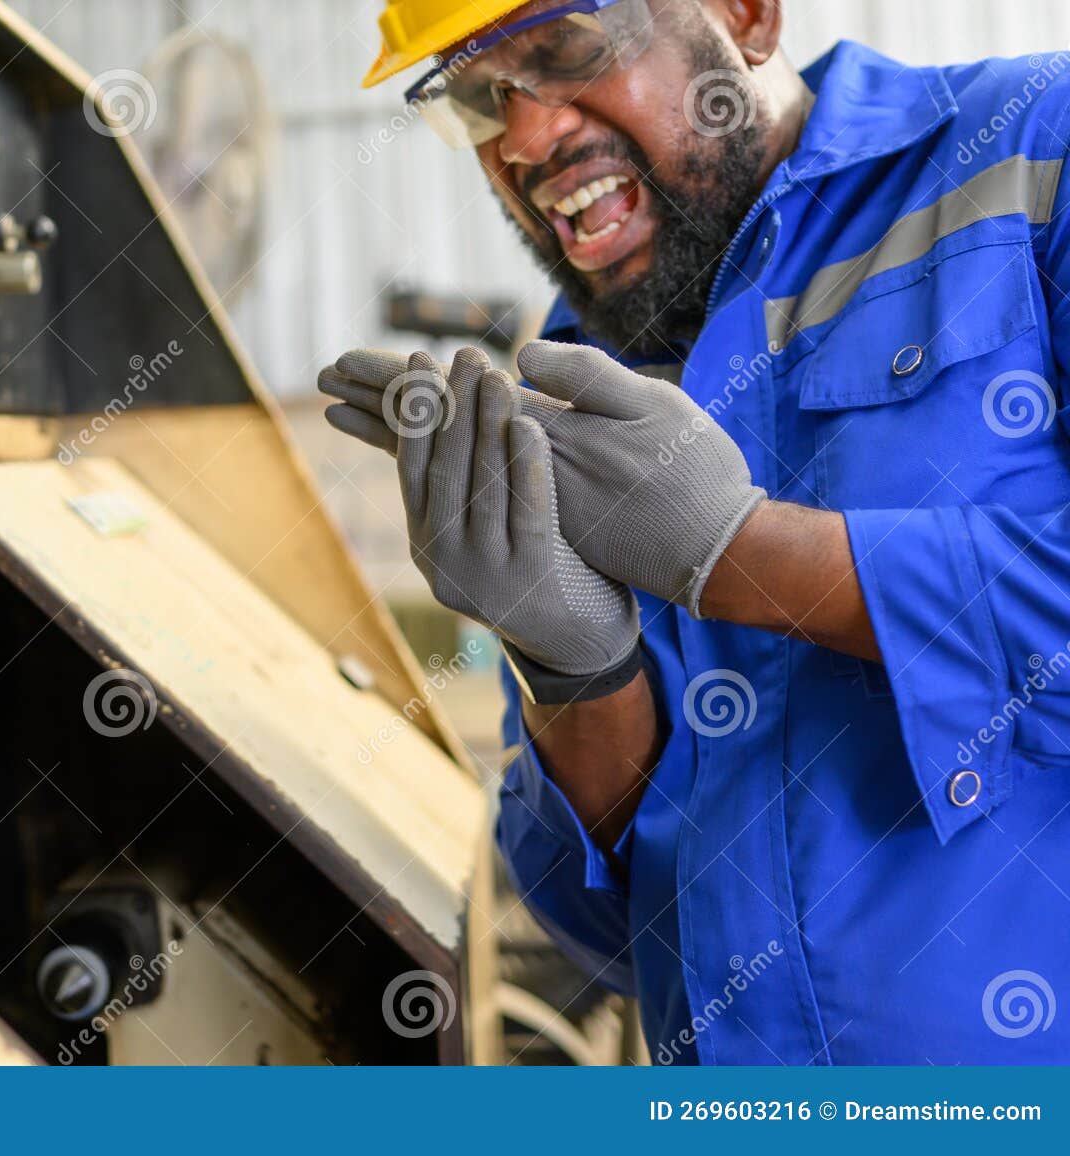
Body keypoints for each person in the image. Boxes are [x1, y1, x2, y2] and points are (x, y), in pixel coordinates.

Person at [321, 0, 1070, 1063]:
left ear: (746, 18)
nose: (524, 139)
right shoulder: (571, 390)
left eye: (565, 50)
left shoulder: (1032, 153)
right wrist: (576, 673)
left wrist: (746, 559)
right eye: (481, 94)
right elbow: (611, 941)